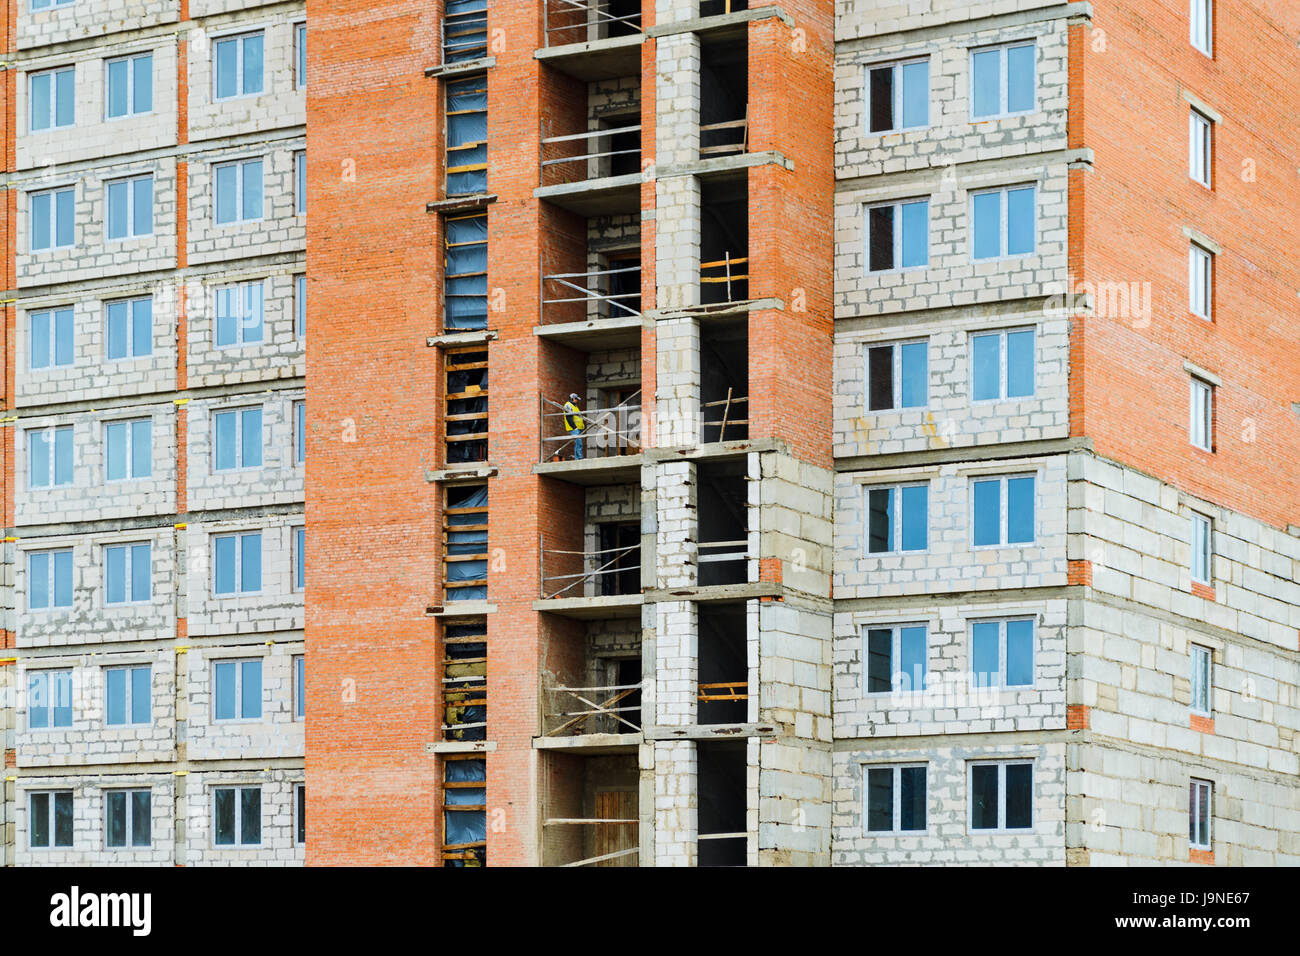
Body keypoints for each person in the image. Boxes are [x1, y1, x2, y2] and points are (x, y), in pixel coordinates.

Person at [563, 392, 585, 460]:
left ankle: (577, 458)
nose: (577, 401)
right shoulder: (568, 405)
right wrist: (574, 427)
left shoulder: (574, 406)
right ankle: (580, 458)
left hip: (578, 428)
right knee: (579, 443)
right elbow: (569, 418)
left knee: (578, 443)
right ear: (572, 398)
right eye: (576, 399)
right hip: (574, 428)